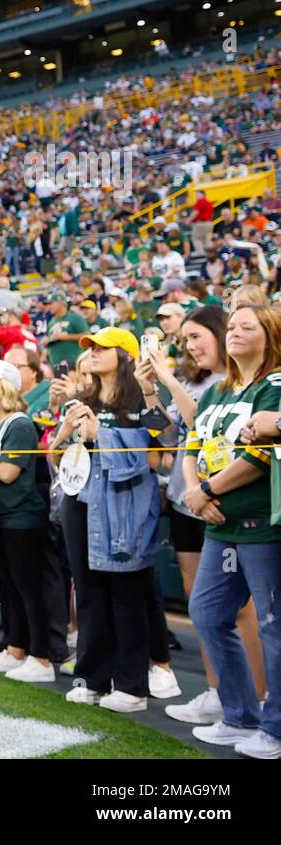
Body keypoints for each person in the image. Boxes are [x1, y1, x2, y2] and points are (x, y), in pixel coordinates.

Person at [142, 306, 267, 723]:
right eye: (187, 340)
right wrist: (149, 392)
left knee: (242, 609)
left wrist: (168, 380)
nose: (191, 346)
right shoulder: (203, 381)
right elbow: (174, 433)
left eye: (198, 337)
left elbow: (199, 420)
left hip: (227, 503)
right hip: (188, 499)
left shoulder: (232, 383)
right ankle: (220, 692)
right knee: (204, 605)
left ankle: (258, 694)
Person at [51, 327, 175, 711]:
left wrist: (98, 433)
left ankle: (132, 685)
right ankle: (91, 677)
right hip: (81, 500)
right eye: (89, 348)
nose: (92, 353)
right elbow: (58, 457)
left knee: (126, 594)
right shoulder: (82, 398)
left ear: (124, 354)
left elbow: (157, 453)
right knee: (87, 593)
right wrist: (66, 432)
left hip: (125, 503)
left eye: (102, 347)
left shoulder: (142, 395)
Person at [183, 305, 281, 757]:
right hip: (221, 530)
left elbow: (260, 457)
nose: (236, 332)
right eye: (232, 326)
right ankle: (240, 715)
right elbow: (191, 447)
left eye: (248, 326)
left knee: (272, 625)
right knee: (208, 614)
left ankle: (275, 729)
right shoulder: (215, 392)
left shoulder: (274, 386)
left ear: (270, 334)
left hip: (261, 527)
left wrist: (205, 491)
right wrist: (193, 491)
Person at [0, 359, 55, 683]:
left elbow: (7, 473)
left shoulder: (19, 423)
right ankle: (16, 648)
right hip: (6, 516)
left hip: (23, 516)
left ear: (5, 386)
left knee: (27, 587)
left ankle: (41, 658)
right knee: (9, 585)